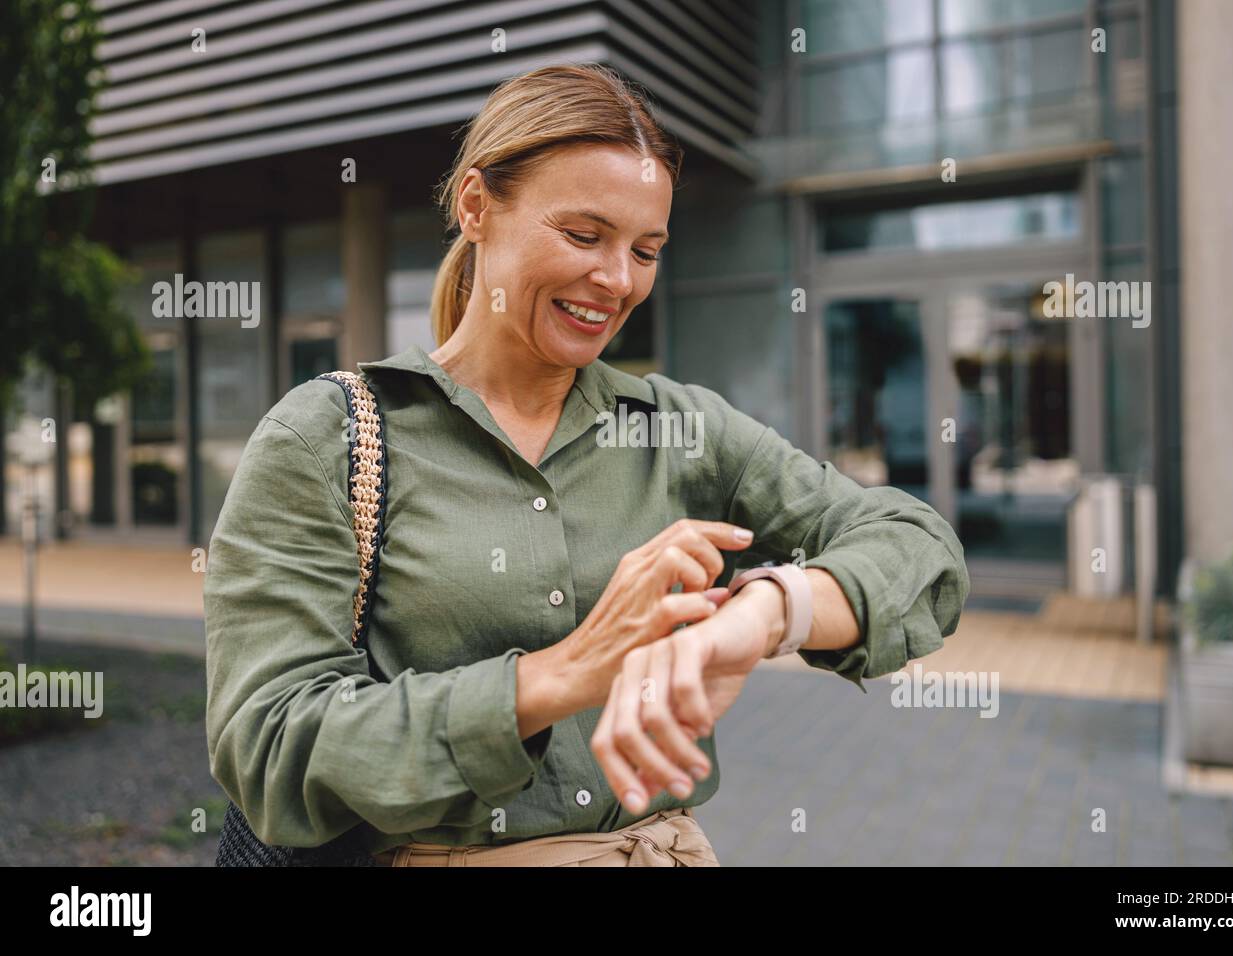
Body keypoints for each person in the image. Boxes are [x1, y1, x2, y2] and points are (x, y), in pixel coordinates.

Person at [204, 63, 970, 867]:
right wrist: (560, 676)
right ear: (475, 206)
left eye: (647, 250)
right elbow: (270, 746)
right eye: (583, 235)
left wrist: (765, 614)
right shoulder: (325, 439)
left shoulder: (682, 428)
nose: (616, 281)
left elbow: (918, 546)